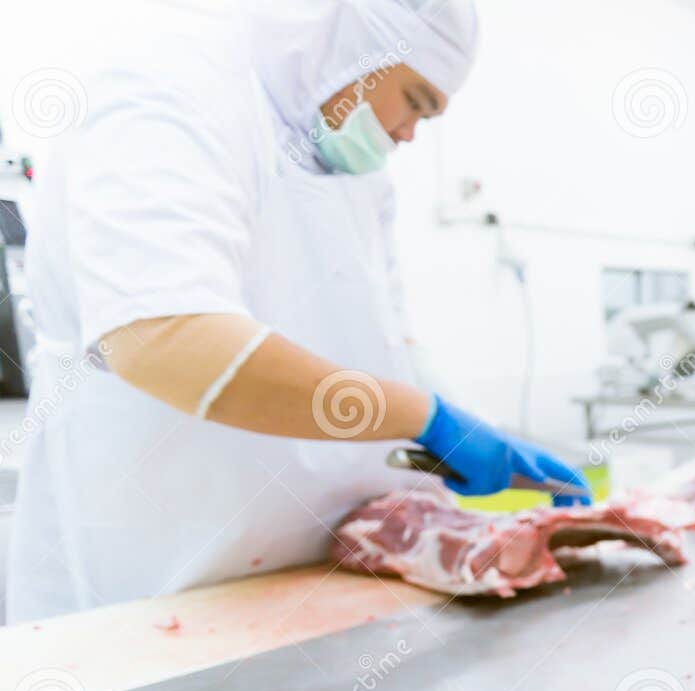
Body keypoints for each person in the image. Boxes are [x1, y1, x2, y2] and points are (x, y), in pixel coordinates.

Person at [6, 0, 589, 624]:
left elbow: (383, 340)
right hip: (153, 581)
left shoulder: (356, 169)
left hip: (314, 587)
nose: (410, 133)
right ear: (357, 45)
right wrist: (425, 418)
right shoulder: (172, 84)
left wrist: (449, 413)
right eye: (416, 100)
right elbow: (163, 339)